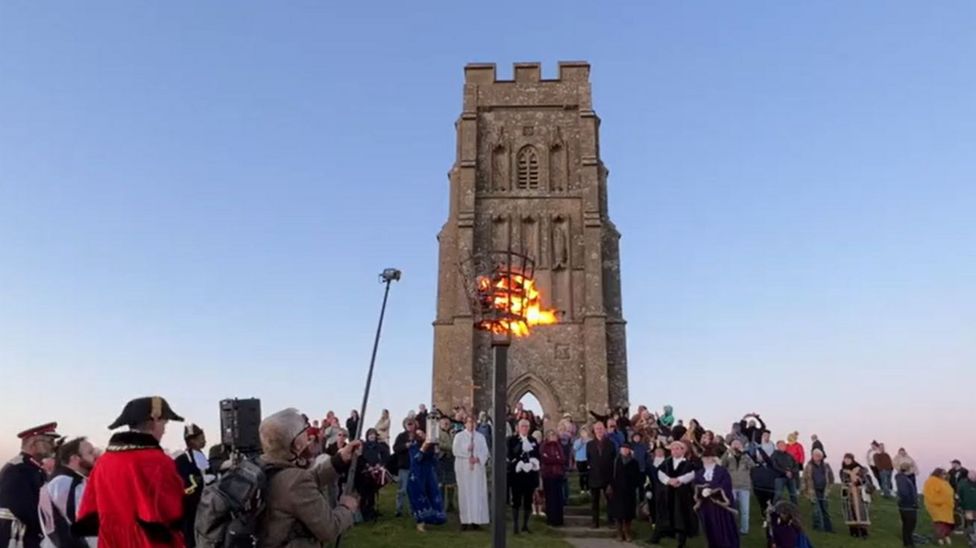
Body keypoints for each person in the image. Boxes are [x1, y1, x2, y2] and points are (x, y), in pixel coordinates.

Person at [74, 397, 186, 547]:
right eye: (164, 423)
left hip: (112, 541)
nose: (164, 430)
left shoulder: (103, 462)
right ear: (154, 422)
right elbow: (172, 511)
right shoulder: (158, 461)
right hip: (150, 542)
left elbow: (89, 507)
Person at [256, 407, 359, 547]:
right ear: (297, 444)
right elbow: (329, 529)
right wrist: (346, 508)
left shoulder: (261, 467)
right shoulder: (295, 482)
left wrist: (338, 460)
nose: (308, 432)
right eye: (305, 429)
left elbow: (303, 481)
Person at [0, 422, 60, 548]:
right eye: (49, 441)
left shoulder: (35, 469)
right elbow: (25, 510)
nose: (53, 446)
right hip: (18, 539)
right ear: (33, 443)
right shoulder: (17, 469)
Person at [38, 436, 97, 548]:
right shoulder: (67, 483)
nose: (95, 456)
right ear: (75, 458)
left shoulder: (61, 481)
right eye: (90, 453)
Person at [650, 441, 699, 547]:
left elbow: (692, 474)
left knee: (680, 516)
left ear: (683, 450)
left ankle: (681, 541)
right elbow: (660, 473)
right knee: (664, 515)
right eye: (673, 449)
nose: (675, 451)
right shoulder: (666, 462)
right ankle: (658, 536)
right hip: (667, 493)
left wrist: (679, 480)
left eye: (677, 449)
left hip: (682, 494)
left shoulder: (688, 464)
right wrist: (668, 480)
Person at [694, 446, 739, 548]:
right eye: (704, 458)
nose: (706, 460)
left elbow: (726, 484)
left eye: (709, 457)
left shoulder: (721, 471)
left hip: (720, 505)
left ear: (713, 458)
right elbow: (696, 485)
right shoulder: (700, 473)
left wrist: (713, 490)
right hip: (706, 506)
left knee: (723, 527)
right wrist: (702, 492)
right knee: (710, 527)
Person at [174, 423, 209, 548]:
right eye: (201, 438)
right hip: (191, 508)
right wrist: (200, 481)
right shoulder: (182, 460)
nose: (204, 440)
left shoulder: (202, 456)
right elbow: (186, 485)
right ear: (192, 440)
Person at [452, 416, 489, 530]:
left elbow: (485, 452)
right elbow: (455, 450)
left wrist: (478, 458)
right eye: (469, 422)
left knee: (477, 493)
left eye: (473, 423)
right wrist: (467, 450)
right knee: (465, 493)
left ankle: (476, 520)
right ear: (465, 424)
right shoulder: (459, 436)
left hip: (477, 470)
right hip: (464, 469)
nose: (471, 425)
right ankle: (465, 520)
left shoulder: (480, 437)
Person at [407, 429, 446, 532]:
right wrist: (424, 446)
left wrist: (435, 449)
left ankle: (433, 519)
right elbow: (417, 458)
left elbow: (435, 460)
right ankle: (420, 523)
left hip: (429, 475)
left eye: (422, 433)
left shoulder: (431, 447)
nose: (421, 435)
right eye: (418, 434)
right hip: (417, 476)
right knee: (419, 498)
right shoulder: (413, 446)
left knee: (433, 495)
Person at [508, 419, 540, 534]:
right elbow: (511, 454)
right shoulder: (512, 440)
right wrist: (521, 443)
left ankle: (525, 525)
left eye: (527, 426)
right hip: (517, 475)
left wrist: (532, 463)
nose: (525, 428)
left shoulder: (533, 440)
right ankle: (515, 525)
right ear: (518, 427)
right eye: (523, 426)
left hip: (530, 475)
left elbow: (536, 454)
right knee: (516, 500)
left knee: (528, 500)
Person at [720, 438, 755, 535]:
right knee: (731, 508)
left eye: (738, 444)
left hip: (744, 486)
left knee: (745, 510)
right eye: (734, 444)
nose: (736, 446)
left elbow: (752, 465)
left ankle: (744, 530)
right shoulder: (728, 456)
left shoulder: (746, 456)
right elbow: (721, 465)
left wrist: (745, 454)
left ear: (741, 446)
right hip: (731, 486)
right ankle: (731, 527)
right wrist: (727, 453)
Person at [609, 442, 641, 542]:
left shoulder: (634, 462)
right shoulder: (615, 461)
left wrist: (635, 486)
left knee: (628, 514)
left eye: (627, 449)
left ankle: (627, 532)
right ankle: (619, 533)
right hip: (617, 490)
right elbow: (610, 475)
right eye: (623, 448)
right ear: (620, 450)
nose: (625, 450)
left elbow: (637, 476)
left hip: (629, 491)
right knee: (618, 513)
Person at [586, 421, 615, 529]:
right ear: (594, 430)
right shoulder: (589, 445)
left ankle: (611, 521)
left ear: (604, 429)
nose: (599, 430)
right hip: (594, 476)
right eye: (597, 428)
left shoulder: (611, 444)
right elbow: (589, 460)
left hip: (608, 476)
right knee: (595, 501)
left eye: (601, 428)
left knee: (610, 500)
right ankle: (595, 521)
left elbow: (613, 459)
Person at [358, 428, 390, 522]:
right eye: (370, 434)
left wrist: (379, 464)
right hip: (365, 472)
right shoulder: (364, 446)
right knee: (365, 494)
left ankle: (371, 510)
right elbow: (361, 458)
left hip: (376, 472)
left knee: (372, 493)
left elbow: (385, 456)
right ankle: (364, 512)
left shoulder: (379, 446)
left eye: (373, 434)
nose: (372, 436)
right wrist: (367, 466)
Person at [839, 453, 871, 539]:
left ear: (852, 459)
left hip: (859, 494)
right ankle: (853, 531)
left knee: (861, 512)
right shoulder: (843, 470)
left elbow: (864, 479)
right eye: (845, 459)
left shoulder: (859, 468)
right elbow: (843, 480)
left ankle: (863, 531)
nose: (847, 461)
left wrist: (858, 481)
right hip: (849, 494)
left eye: (849, 459)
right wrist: (848, 483)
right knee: (850, 512)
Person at [802, 448, 835, 533]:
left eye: (819, 455)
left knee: (825, 510)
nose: (817, 457)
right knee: (816, 510)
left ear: (821, 456)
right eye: (815, 455)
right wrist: (805, 492)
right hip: (813, 491)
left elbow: (831, 478)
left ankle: (829, 529)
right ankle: (818, 528)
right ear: (812, 456)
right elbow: (804, 479)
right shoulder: (808, 466)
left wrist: (829, 488)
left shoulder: (826, 466)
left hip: (824, 492)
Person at [392, 418, 419, 517]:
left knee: (414, 490)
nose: (410, 426)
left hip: (416, 467)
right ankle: (399, 509)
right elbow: (395, 448)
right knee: (401, 490)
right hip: (404, 466)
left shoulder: (418, 436)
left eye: (411, 424)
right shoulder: (401, 436)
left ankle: (414, 510)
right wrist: (405, 446)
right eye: (408, 424)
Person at [540, 430, 567, 526]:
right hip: (548, 475)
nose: (553, 437)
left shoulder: (559, 446)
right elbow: (545, 459)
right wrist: (555, 459)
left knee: (558, 498)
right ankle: (551, 519)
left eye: (554, 435)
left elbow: (562, 459)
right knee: (550, 498)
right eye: (551, 435)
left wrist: (555, 459)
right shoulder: (544, 446)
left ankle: (559, 520)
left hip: (558, 474)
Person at [923, 468, 956, 545]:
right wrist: (940, 501)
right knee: (940, 523)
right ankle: (939, 538)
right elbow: (930, 495)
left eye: (945, 473)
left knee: (947, 523)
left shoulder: (945, 482)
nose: (944, 475)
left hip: (947, 507)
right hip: (938, 506)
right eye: (943, 473)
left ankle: (946, 536)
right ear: (937, 473)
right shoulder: (932, 481)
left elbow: (949, 493)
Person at [435, 416, 457, 513]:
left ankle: (450, 504)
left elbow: (457, 444)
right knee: (441, 483)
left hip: (451, 460)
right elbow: (438, 444)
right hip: (441, 460)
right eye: (444, 423)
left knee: (451, 483)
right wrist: (451, 447)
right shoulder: (436, 433)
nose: (446, 425)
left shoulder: (454, 433)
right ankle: (441, 505)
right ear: (440, 424)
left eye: (447, 423)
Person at [751, 443, 778, 523]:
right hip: (758, 489)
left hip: (770, 488)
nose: (760, 457)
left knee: (770, 504)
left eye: (761, 456)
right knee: (762, 505)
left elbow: (766, 458)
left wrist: (760, 449)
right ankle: (765, 518)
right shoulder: (754, 466)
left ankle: (771, 518)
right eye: (758, 456)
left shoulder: (770, 465)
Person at [896, 462, 919, 547]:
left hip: (906, 506)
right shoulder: (903, 479)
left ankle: (907, 543)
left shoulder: (902, 478)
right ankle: (909, 543)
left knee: (907, 526)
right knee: (909, 525)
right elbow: (904, 493)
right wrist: (912, 502)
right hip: (908, 507)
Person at [957, 470, 976, 546]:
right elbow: (959, 495)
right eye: (973, 476)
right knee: (970, 524)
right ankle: (971, 540)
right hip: (968, 508)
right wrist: (960, 505)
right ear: (969, 476)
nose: (974, 477)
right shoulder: (963, 484)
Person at [573, 427, 591, 495]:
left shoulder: (590, 440)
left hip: (587, 460)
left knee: (588, 475)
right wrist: (581, 442)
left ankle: (588, 488)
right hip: (580, 460)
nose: (584, 434)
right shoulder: (577, 441)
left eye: (585, 432)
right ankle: (582, 489)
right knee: (581, 475)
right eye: (582, 432)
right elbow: (575, 448)